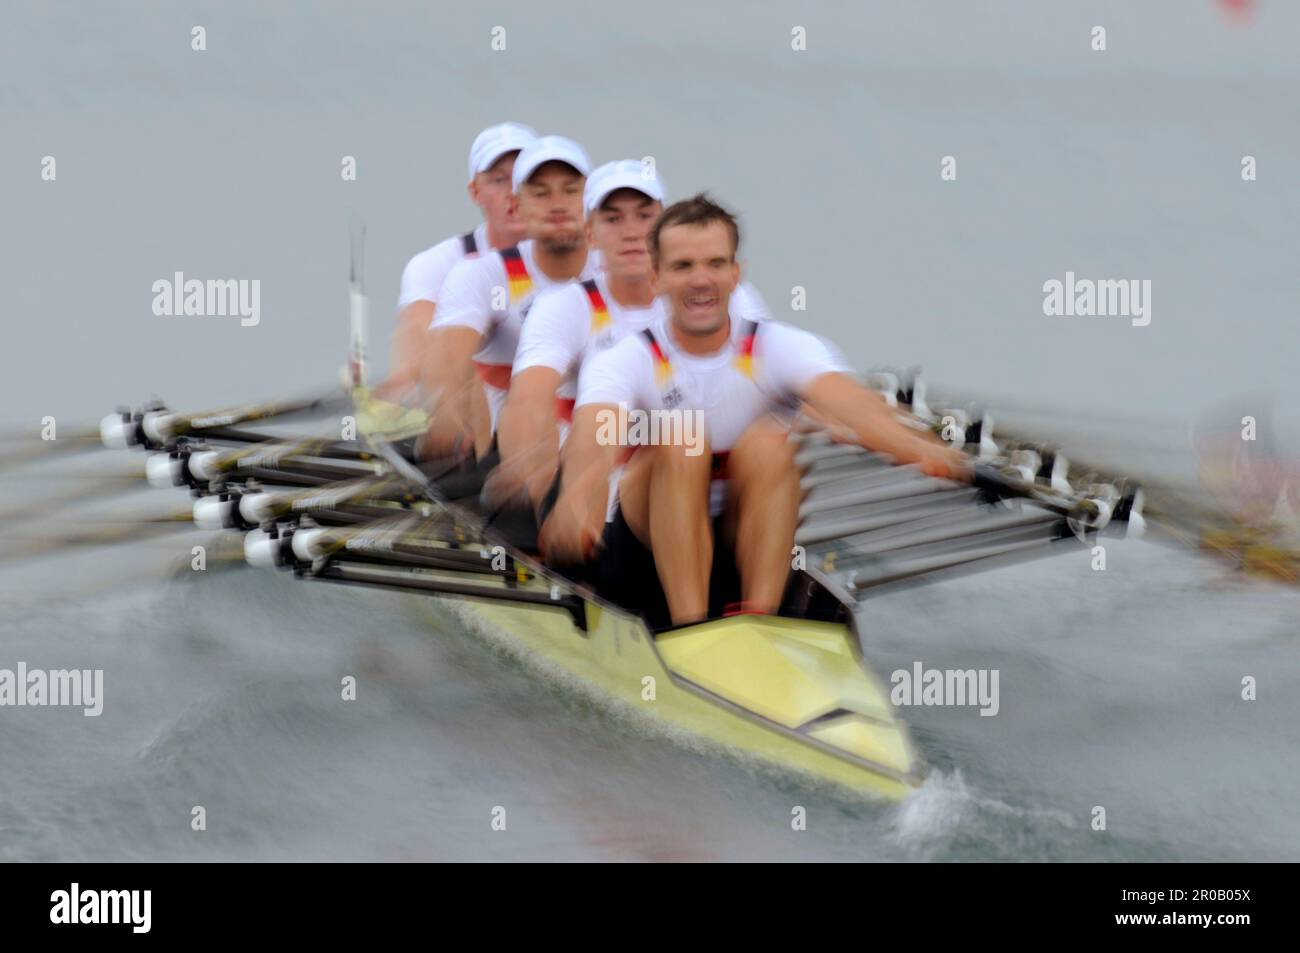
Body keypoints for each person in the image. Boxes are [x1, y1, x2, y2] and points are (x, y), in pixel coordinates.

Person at [543, 194, 971, 625]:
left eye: (715, 263)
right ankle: (692, 628)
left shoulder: (781, 346)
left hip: (739, 543)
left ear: (736, 273)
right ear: (656, 278)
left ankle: (760, 622)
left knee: (770, 444)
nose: (701, 280)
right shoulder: (626, 359)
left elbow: (853, 404)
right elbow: (596, 431)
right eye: (683, 266)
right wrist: (578, 495)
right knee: (683, 440)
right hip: (645, 553)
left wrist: (922, 451)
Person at [496, 159, 771, 518]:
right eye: (613, 219)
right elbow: (528, 400)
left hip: (715, 485)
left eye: (645, 216)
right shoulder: (564, 307)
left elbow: (774, 387)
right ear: (590, 233)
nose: (631, 232)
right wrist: (529, 483)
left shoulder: (735, 296)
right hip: (608, 504)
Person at [423, 135, 599, 475]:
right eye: (541, 193)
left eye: (570, 190)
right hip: (513, 455)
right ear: (517, 206)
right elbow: (448, 357)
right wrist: (446, 405)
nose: (558, 204)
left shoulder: (623, 272)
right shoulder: (482, 274)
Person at [377, 122, 537, 401]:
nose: (513, 194)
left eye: (524, 180)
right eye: (499, 180)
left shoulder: (587, 260)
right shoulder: (436, 264)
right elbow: (418, 330)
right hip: (475, 418)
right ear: (475, 192)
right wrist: (409, 375)